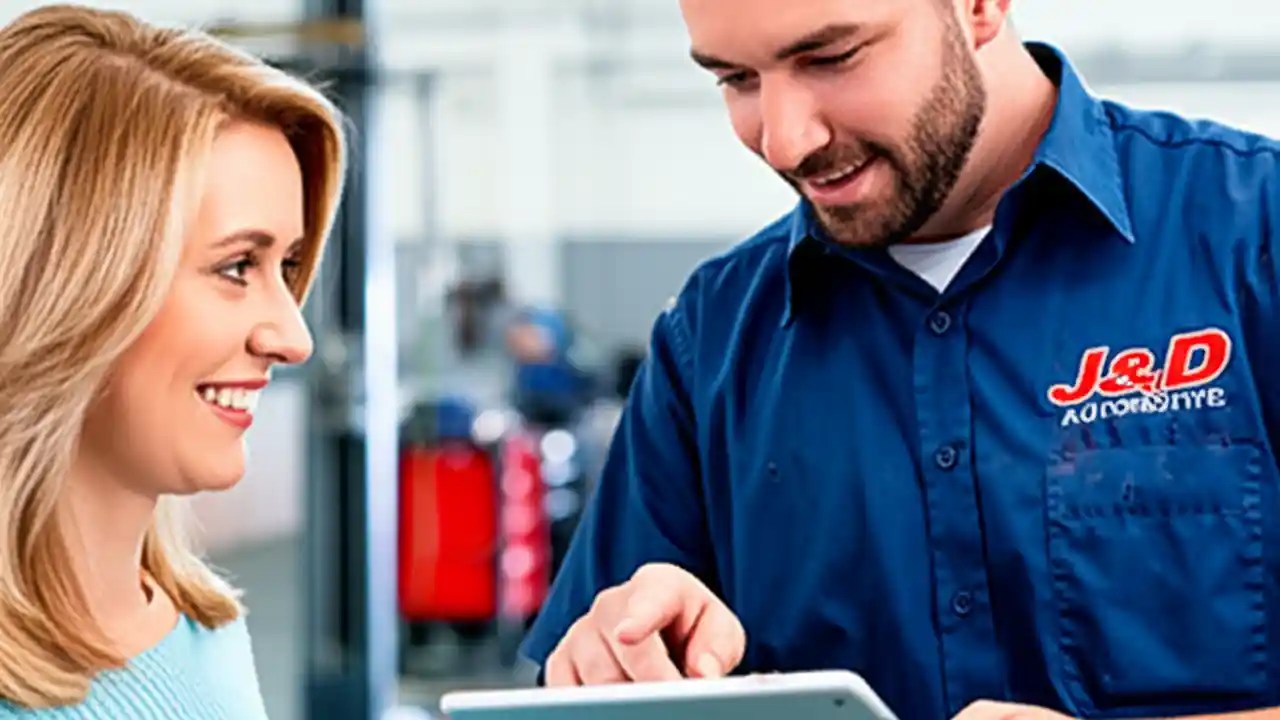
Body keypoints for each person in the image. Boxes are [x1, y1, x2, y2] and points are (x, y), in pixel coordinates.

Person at [520, 0, 1280, 718]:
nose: (786, 141)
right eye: (737, 79)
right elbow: (586, 692)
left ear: (980, 4)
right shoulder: (710, 340)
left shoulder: (1256, 240)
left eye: (832, 56)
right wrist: (611, 666)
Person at [0, 4, 344, 717]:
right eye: (237, 265)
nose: (293, 336)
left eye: (289, 263)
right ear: (65, 279)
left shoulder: (206, 635)